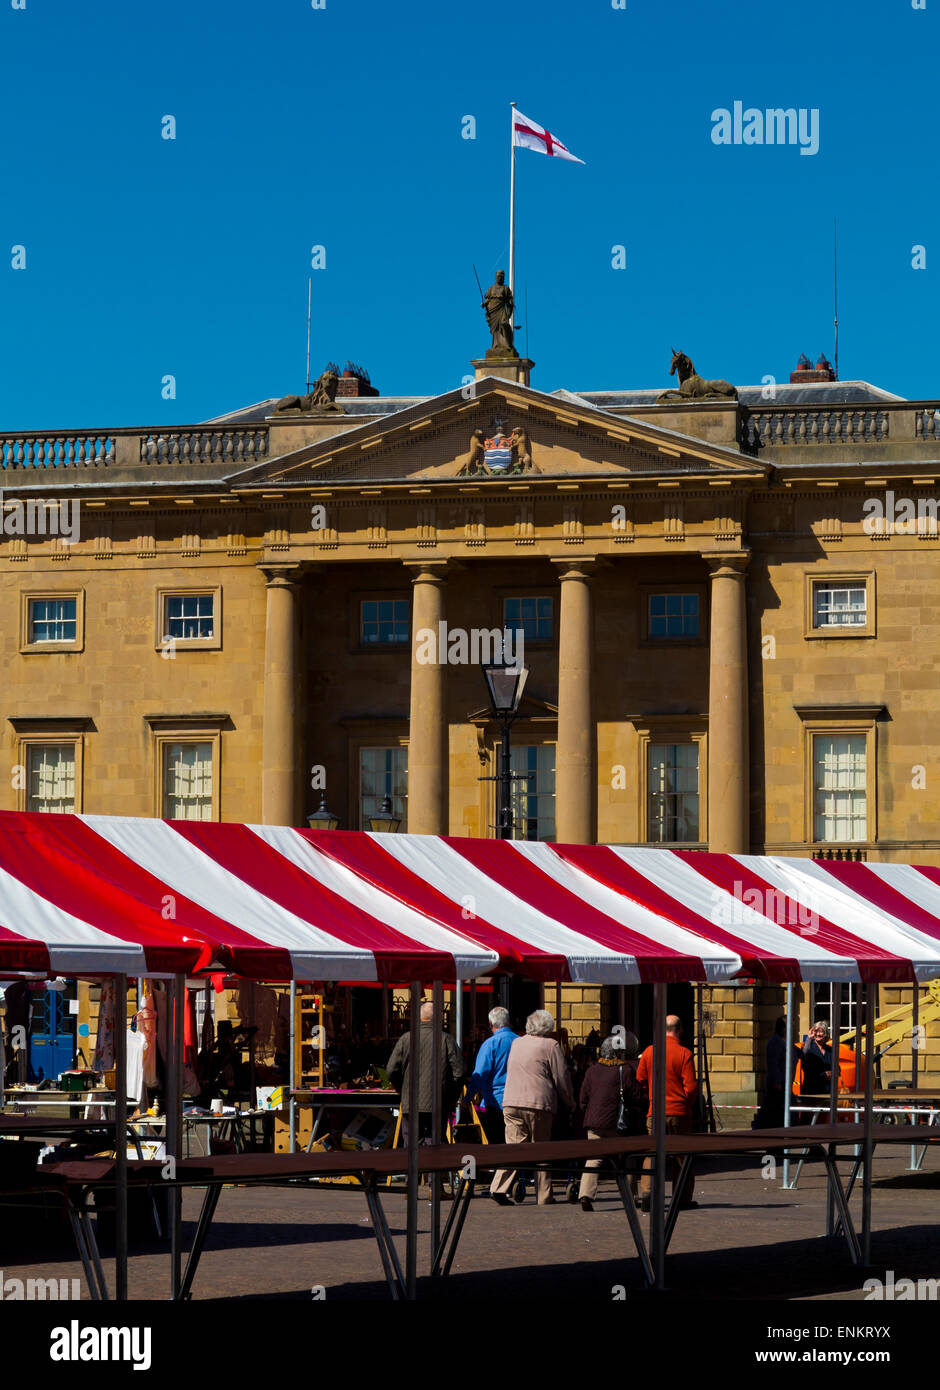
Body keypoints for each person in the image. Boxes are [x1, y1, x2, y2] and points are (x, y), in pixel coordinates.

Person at [489, 1009, 574, 1206]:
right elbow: (561, 1077)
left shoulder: (517, 1042)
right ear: (548, 1028)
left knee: (513, 1147)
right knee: (541, 1149)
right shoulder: (550, 1045)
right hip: (538, 1103)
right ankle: (544, 1195)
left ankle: (498, 1187)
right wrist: (570, 1100)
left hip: (511, 1101)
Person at [577, 1032, 647, 1212]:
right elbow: (636, 1096)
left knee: (593, 1159)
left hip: (594, 1123)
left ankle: (585, 1194)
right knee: (626, 1159)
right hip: (616, 1123)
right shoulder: (624, 1070)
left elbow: (583, 1098)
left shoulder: (592, 1070)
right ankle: (630, 1196)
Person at [636, 1014, 699, 1211]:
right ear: (679, 1030)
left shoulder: (649, 1052)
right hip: (679, 1112)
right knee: (681, 1157)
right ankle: (681, 1198)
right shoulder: (684, 1053)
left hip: (654, 1111)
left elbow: (640, 1080)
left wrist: (652, 1097)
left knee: (651, 1153)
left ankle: (648, 1193)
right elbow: (691, 1086)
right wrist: (686, 1103)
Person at [386, 1000, 464, 1146]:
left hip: (411, 1102)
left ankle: (415, 1169)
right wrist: (450, 1097)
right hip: (438, 1102)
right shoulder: (446, 1039)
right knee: (435, 1143)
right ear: (439, 1019)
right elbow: (458, 1073)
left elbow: (391, 1070)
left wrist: (402, 1089)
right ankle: (433, 1168)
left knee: (411, 1145)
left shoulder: (406, 1039)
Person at [464, 1006, 518, 1143]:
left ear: (491, 1024)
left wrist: (469, 1097)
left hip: (496, 1102)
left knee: (497, 1143)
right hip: (518, 1100)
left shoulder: (490, 1044)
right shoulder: (519, 1041)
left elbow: (480, 1073)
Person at [753, 1016, 788, 1129]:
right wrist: (777, 1082)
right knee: (771, 1113)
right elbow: (774, 1063)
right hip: (778, 1084)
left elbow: (799, 1053)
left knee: (773, 1114)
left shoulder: (783, 1041)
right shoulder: (775, 1042)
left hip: (783, 1083)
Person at [800, 1019, 836, 1097]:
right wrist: (809, 1038)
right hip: (811, 1090)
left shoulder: (830, 1050)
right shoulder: (808, 1048)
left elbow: (837, 1068)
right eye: (816, 1032)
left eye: (821, 1031)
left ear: (826, 1034)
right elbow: (804, 1063)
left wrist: (832, 1073)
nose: (818, 1034)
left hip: (827, 1091)